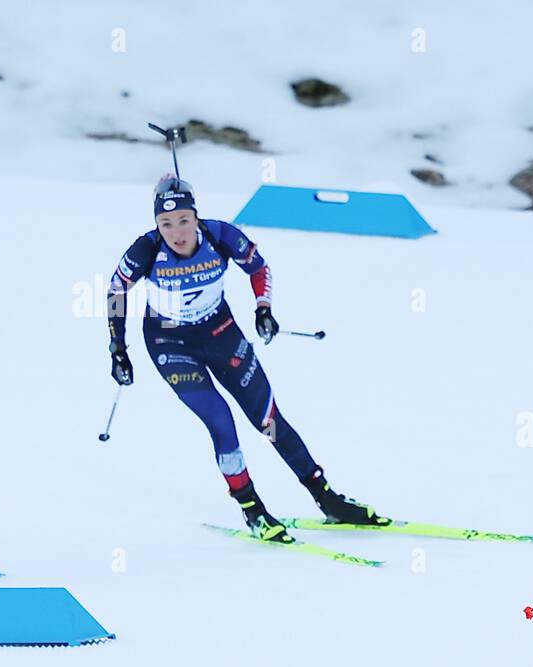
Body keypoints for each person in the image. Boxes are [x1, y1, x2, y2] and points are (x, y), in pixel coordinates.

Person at [106, 174, 386, 540]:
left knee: (269, 420)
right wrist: (118, 348)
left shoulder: (221, 235)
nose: (177, 232)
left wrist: (263, 308)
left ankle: (327, 498)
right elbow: (116, 290)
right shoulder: (145, 250)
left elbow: (259, 268)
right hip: (170, 345)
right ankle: (252, 509)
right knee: (221, 421)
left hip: (221, 334)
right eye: (166, 223)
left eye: (184, 221)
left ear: (196, 216)